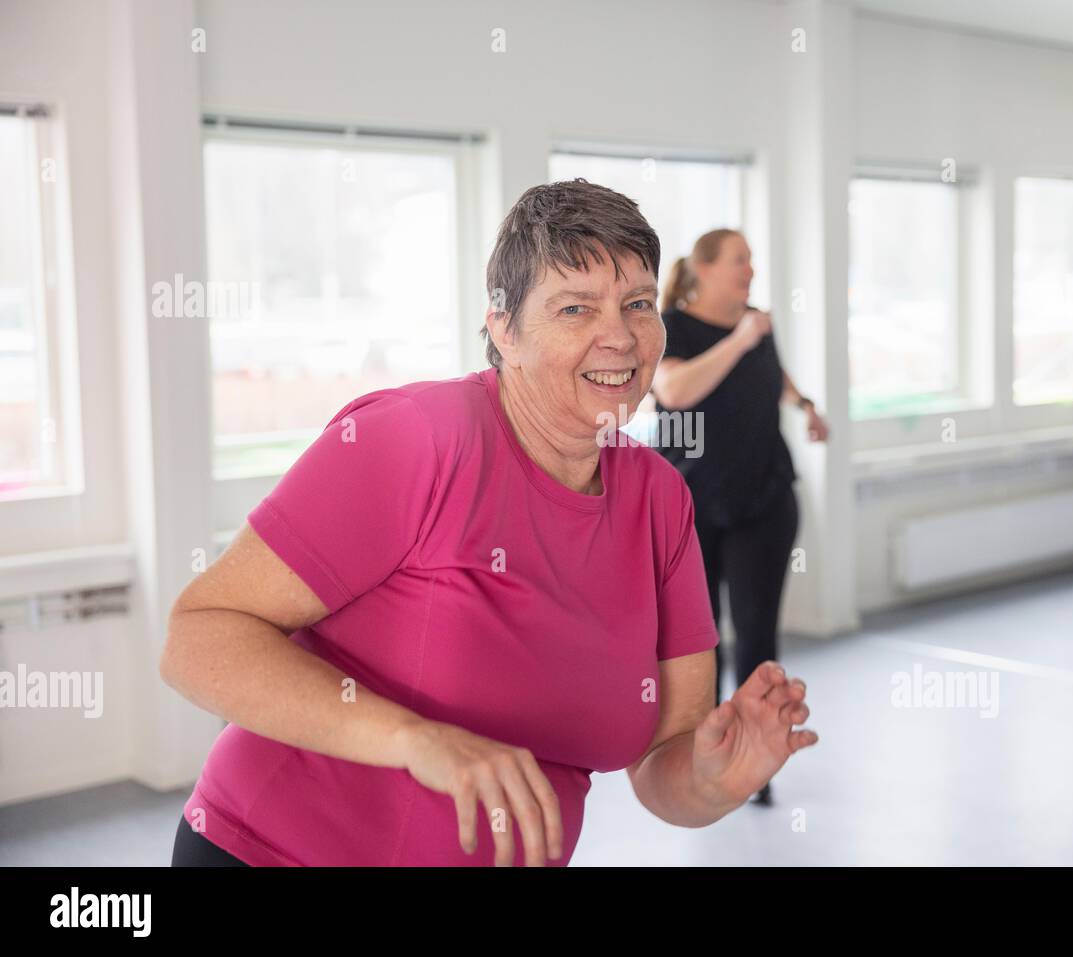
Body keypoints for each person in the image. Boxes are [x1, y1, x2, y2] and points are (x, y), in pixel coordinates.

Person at [161, 179, 818, 867]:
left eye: (636, 304)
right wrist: (415, 738)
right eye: (575, 307)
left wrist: (714, 779)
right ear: (503, 327)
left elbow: (664, 760)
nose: (619, 336)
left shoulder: (660, 501)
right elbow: (197, 636)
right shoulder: (416, 440)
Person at [651, 229, 828, 806]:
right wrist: (741, 338)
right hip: (693, 504)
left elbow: (773, 375)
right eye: (738, 260)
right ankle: (704, 760)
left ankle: (758, 765)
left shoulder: (756, 321)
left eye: (751, 260)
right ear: (703, 268)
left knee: (756, 634)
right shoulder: (673, 324)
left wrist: (804, 406)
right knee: (701, 641)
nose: (750, 269)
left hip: (764, 499)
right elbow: (674, 391)